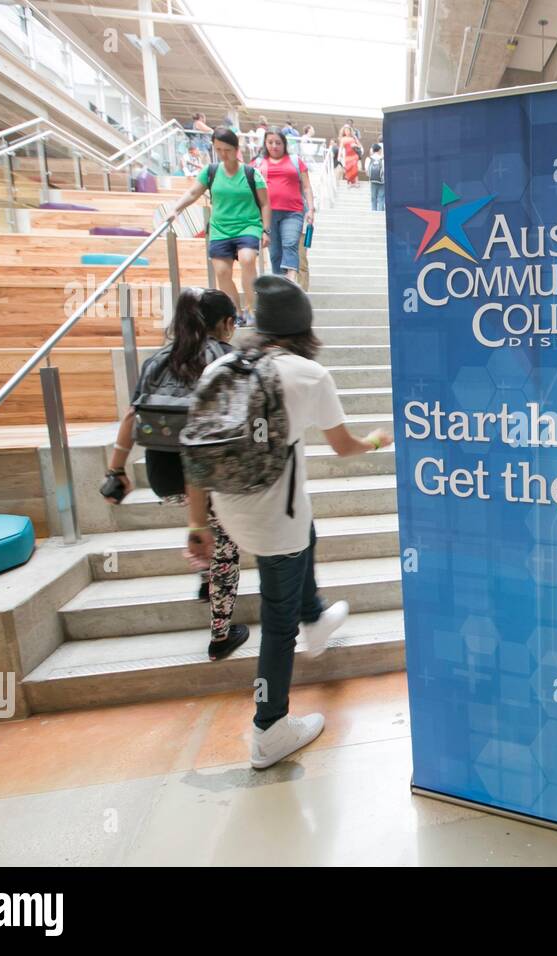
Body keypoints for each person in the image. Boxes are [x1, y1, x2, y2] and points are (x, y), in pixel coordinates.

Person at [184, 276, 394, 769]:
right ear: (305, 328)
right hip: (279, 521)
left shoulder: (222, 366)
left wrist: (198, 523)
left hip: (232, 511)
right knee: (278, 627)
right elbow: (344, 447)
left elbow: (194, 449)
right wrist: (377, 441)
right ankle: (268, 729)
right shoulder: (308, 374)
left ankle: (315, 614)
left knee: (307, 536)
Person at [102, 288, 248, 661]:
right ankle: (220, 636)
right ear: (227, 324)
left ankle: (206, 582)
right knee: (225, 550)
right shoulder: (228, 359)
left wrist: (117, 470)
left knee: (203, 528)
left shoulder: (159, 359)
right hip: (209, 474)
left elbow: (130, 417)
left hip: (163, 476)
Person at [170, 127, 270, 324]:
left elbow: (266, 203)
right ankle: (236, 312)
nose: (224, 154)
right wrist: (176, 209)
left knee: (247, 259)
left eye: (228, 150)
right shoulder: (211, 172)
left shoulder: (251, 174)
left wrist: (266, 230)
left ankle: (252, 309)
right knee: (222, 272)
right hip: (220, 228)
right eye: (219, 150)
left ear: (236, 148)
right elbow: (192, 193)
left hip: (247, 225)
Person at [253, 129, 314, 283]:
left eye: (278, 143)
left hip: (293, 211)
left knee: (290, 243)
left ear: (284, 144)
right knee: (275, 253)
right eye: (270, 142)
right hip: (268, 214)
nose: (274, 146)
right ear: (265, 144)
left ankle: (291, 280)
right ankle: (279, 287)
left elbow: (307, 187)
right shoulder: (258, 163)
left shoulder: (295, 161)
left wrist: (311, 209)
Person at [366, 142, 385, 212]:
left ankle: (373, 211)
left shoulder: (369, 159)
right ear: (380, 150)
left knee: (373, 197)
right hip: (382, 181)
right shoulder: (382, 159)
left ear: (373, 150)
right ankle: (380, 213)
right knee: (381, 197)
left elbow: (367, 170)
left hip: (372, 181)